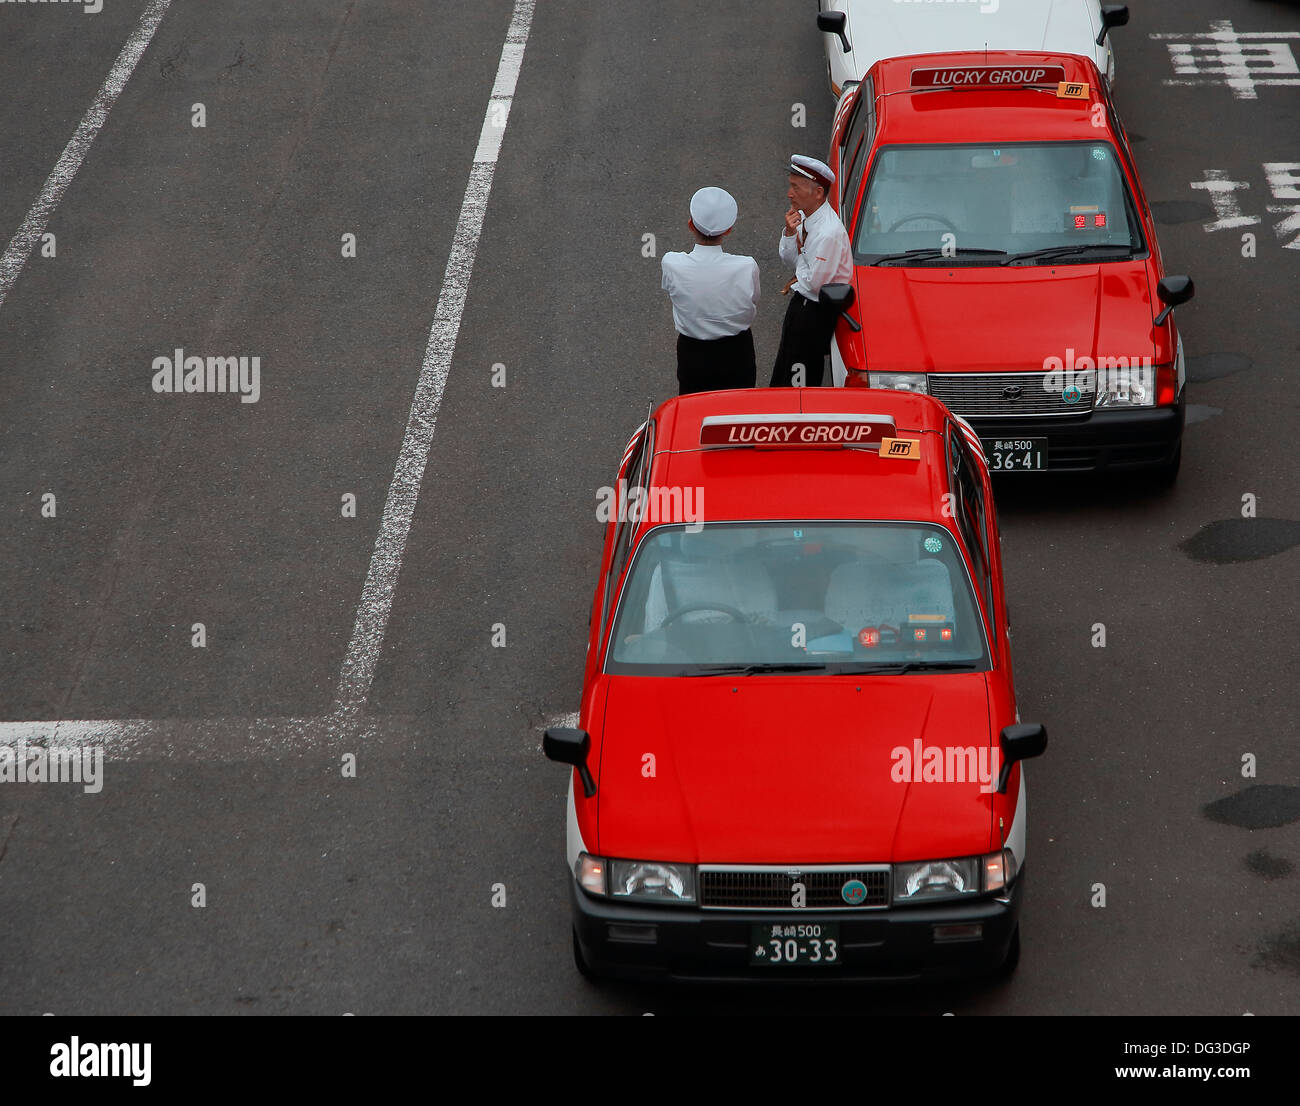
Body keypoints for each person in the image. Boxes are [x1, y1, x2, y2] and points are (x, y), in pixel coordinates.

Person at [661, 187, 760, 395]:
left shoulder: (672, 263)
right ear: (728, 230)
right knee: (738, 414)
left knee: (695, 413)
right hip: (737, 352)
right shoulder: (746, 266)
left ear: (691, 225)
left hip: (693, 353)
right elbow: (753, 300)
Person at [770, 155, 853, 387]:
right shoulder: (805, 216)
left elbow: (814, 283)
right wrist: (788, 234)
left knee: (801, 378)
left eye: (795, 187)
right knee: (786, 365)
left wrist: (801, 263)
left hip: (815, 313)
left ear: (818, 192)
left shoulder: (828, 232)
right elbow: (788, 261)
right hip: (802, 304)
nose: (789, 193)